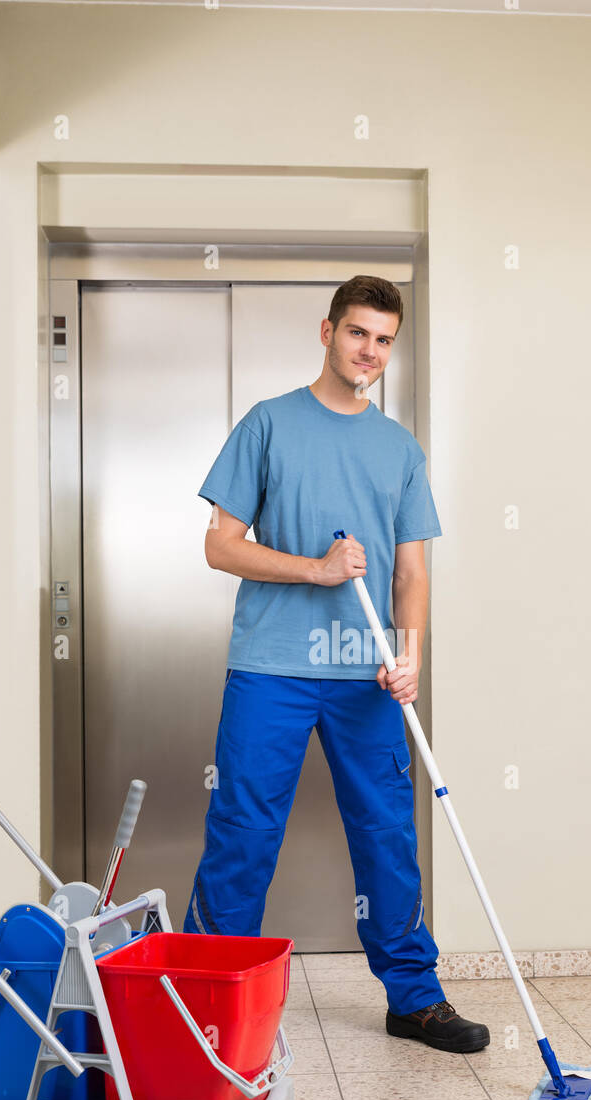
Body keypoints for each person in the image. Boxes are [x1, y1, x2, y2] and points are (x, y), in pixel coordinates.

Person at [183, 275, 489, 1054]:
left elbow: (410, 574)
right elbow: (221, 546)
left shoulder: (399, 449)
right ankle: (201, 1001)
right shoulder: (268, 424)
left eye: (384, 340)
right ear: (327, 333)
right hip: (271, 667)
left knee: (386, 833)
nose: (371, 352)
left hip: (366, 671)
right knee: (243, 831)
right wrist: (316, 570)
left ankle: (413, 1000)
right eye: (358, 334)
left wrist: (411, 658)